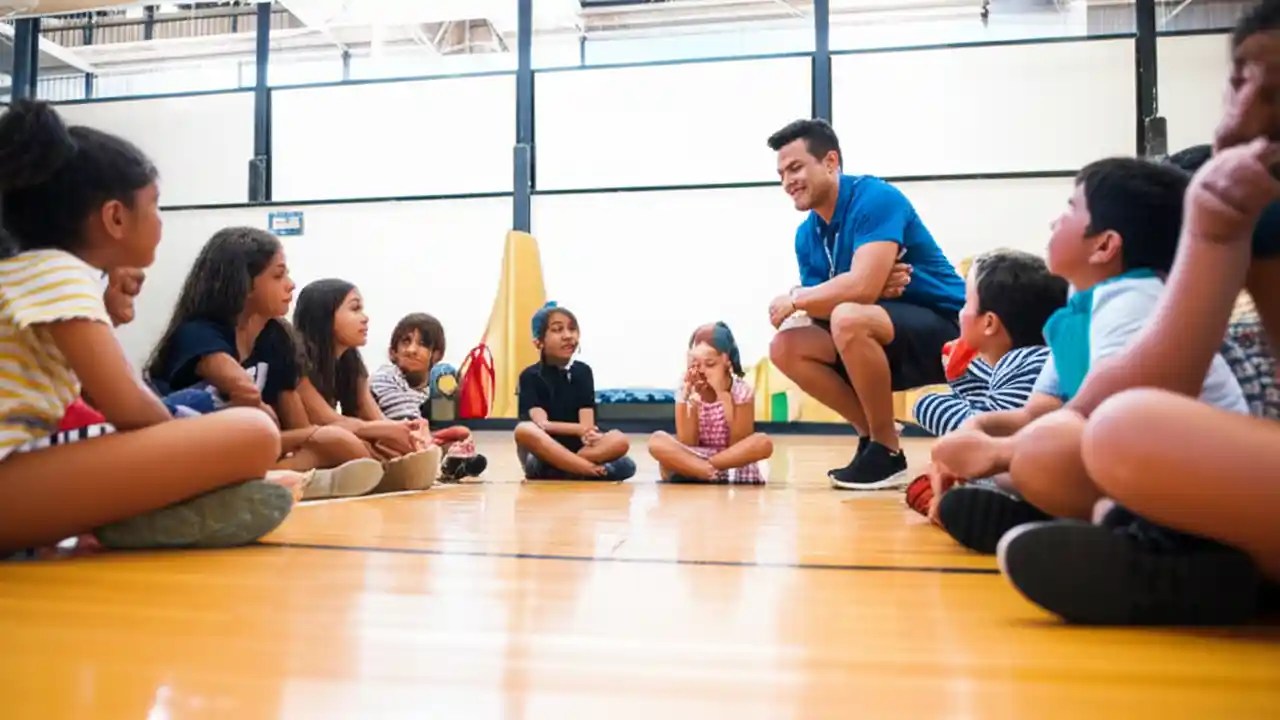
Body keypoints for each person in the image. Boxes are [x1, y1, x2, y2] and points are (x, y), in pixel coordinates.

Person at [997, 0, 1280, 625]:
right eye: (1238, 81)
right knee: (1066, 448)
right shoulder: (1255, 201)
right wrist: (1217, 232)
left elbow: (1137, 389)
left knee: (1121, 429)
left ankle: (1181, 551)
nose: (1242, 116)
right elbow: (1154, 378)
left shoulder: (1129, 292)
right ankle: (1207, 565)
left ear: (1107, 244)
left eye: (1277, 90)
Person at [0, 100, 296, 554]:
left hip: (22, 468)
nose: (160, 221)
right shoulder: (58, 273)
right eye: (156, 205)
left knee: (226, 428)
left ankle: (150, 509)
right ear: (115, 217)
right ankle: (154, 509)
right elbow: (127, 405)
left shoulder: (34, 271)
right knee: (252, 432)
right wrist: (184, 445)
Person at [930, 157, 1248, 556]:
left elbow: (1099, 412)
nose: (1053, 223)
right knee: (1027, 462)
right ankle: (1076, 523)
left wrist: (994, 454)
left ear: (1104, 245)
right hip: (1130, 463)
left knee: (1038, 456)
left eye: (1070, 208)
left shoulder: (1134, 299)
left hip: (1198, 480)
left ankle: (1156, 548)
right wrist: (974, 427)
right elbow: (1037, 413)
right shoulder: (1078, 308)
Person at [765, 118, 965, 490]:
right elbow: (831, 305)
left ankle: (887, 452)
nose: (787, 181)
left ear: (830, 162)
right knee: (787, 347)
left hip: (948, 331)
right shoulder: (806, 235)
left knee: (849, 316)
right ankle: (875, 438)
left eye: (795, 167)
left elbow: (856, 290)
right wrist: (853, 291)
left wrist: (799, 298)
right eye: (780, 174)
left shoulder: (875, 198)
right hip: (880, 332)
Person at [145, 228, 384, 501]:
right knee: (335, 441)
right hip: (196, 446)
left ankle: (300, 477)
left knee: (335, 443)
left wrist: (324, 437)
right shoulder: (198, 333)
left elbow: (297, 424)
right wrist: (326, 436)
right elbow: (246, 393)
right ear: (244, 284)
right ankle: (292, 480)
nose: (291, 284)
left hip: (256, 442)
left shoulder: (277, 339)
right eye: (278, 275)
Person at [292, 279, 441, 493]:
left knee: (385, 444)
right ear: (324, 315)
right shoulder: (296, 356)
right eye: (355, 308)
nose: (365, 318)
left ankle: (361, 472)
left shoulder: (350, 359)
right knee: (346, 443)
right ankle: (307, 480)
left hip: (329, 435)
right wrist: (391, 430)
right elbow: (326, 421)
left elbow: (371, 415)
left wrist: (407, 435)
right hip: (297, 440)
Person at [913, 250, 1066, 437]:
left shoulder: (1027, 362)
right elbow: (988, 404)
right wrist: (963, 374)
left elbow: (986, 431)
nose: (960, 313)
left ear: (989, 323)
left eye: (966, 302)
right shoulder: (1035, 360)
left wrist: (925, 403)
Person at [514, 302, 636, 480]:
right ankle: (587, 470)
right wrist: (578, 430)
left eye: (572, 329)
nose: (568, 336)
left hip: (581, 450)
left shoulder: (582, 372)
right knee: (524, 430)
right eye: (557, 330)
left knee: (619, 440)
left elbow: (586, 425)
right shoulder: (529, 376)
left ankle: (568, 468)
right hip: (544, 453)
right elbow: (543, 425)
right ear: (538, 342)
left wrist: (589, 435)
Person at [648, 322, 773, 484]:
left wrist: (723, 396)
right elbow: (688, 442)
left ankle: (704, 470)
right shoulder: (688, 389)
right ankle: (705, 471)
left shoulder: (741, 391)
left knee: (762, 442)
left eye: (710, 364)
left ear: (726, 362)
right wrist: (687, 400)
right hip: (697, 456)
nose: (702, 370)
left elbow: (738, 441)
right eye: (695, 364)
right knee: (657, 440)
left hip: (730, 459)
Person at [369, 312, 488, 481]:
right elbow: (404, 420)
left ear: (436, 354)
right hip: (392, 435)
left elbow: (439, 422)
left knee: (461, 432)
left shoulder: (435, 383)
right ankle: (439, 461)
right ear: (393, 352)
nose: (411, 350)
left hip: (419, 437)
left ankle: (449, 464)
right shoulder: (387, 375)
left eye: (422, 344)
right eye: (406, 342)